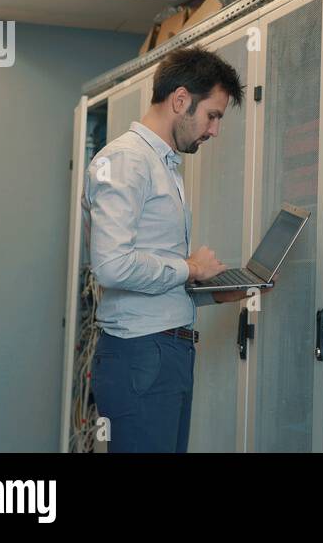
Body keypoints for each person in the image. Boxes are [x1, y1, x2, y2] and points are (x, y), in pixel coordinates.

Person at [82, 46, 265, 453]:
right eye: (212, 116)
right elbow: (112, 266)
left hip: (164, 353)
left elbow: (149, 271)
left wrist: (212, 290)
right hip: (142, 357)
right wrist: (189, 269)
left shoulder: (161, 164)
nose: (214, 130)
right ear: (180, 100)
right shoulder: (128, 160)